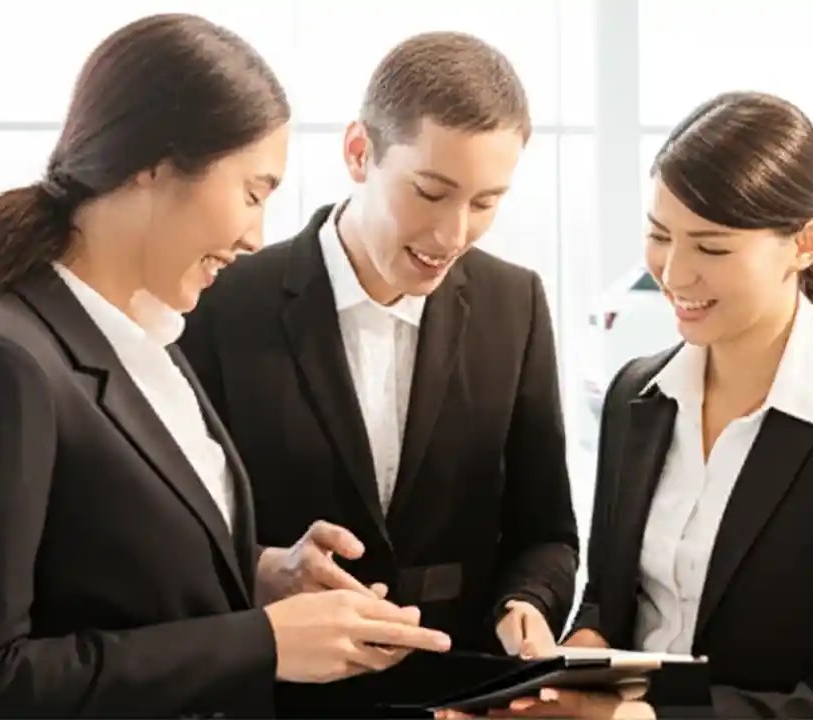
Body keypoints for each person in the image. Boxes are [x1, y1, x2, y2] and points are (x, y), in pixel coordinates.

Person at [0, 14, 450, 718]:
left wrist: (266, 574)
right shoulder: (0, 363)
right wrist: (263, 642)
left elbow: (113, 572)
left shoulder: (152, 339)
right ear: (151, 165)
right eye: (252, 192)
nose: (255, 236)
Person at [177, 30, 578, 717]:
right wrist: (266, 568)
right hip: (276, 701)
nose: (455, 234)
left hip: (459, 700)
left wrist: (526, 604)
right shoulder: (223, 301)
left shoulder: (517, 305)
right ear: (360, 152)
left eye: (485, 203)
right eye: (430, 192)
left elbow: (546, 533)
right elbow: (177, 537)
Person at [526, 92, 813, 719]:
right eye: (659, 235)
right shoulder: (636, 397)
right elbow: (610, 601)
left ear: (805, 244)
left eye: (712, 248)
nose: (674, 273)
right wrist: (572, 663)